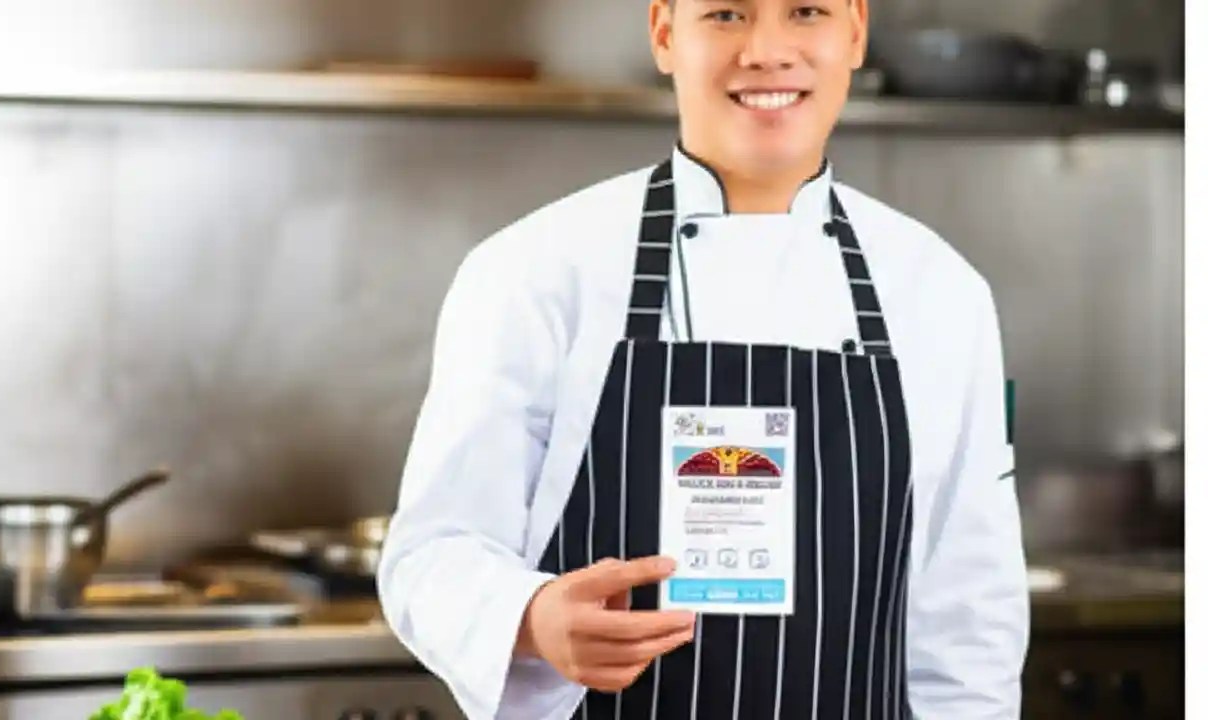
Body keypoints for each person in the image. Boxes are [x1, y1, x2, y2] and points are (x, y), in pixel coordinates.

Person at [377, 0, 1030, 718]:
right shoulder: (536, 269)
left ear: (855, 31)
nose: (766, 50)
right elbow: (431, 555)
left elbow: (970, 614)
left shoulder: (939, 292)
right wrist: (532, 618)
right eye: (726, 14)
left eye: (805, 12)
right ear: (664, 32)